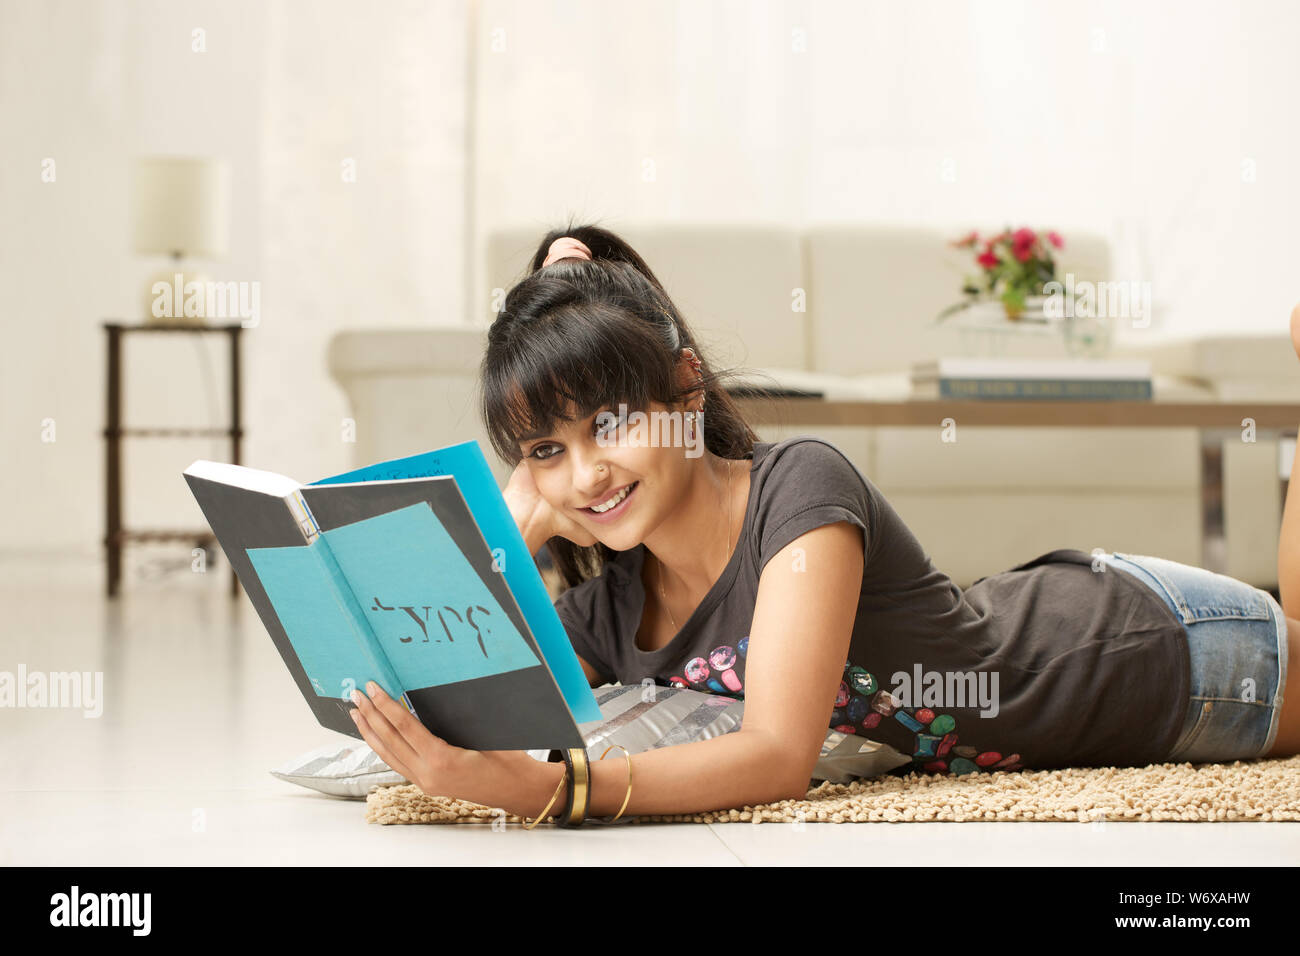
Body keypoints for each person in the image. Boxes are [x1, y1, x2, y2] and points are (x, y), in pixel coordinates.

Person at [347, 222, 1299, 827]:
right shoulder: (611, 611)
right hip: (1102, 640)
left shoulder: (799, 490)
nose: (586, 473)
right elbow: (444, 686)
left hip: (1155, 651)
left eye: (611, 423)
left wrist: (559, 790)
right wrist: (517, 520)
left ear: (685, 389)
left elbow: (777, 756)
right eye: (547, 449)